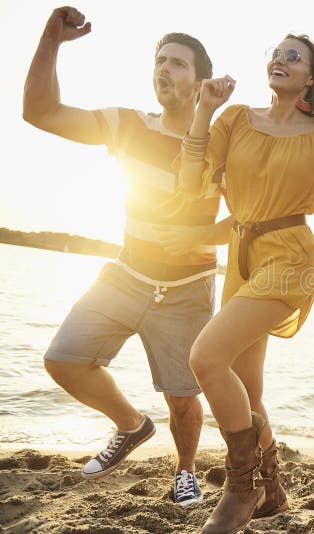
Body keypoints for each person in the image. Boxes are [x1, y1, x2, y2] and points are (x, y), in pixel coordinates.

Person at [22, 6, 226, 507]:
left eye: (177, 63)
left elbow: (253, 213)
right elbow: (40, 111)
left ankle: (185, 471)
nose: (164, 69)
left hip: (188, 289)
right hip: (126, 274)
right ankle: (131, 425)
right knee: (63, 360)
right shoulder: (127, 124)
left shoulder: (223, 144)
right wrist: (51, 41)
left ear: (201, 83)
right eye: (159, 60)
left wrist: (203, 235)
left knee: (183, 396)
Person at [176, 33, 314, 533]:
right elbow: (189, 184)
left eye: (293, 56)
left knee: (205, 358)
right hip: (241, 257)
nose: (280, 60)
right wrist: (204, 109)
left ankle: (241, 487)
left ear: (310, 77)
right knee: (248, 390)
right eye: (275, 53)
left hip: (289, 257)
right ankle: (273, 487)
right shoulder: (235, 118)